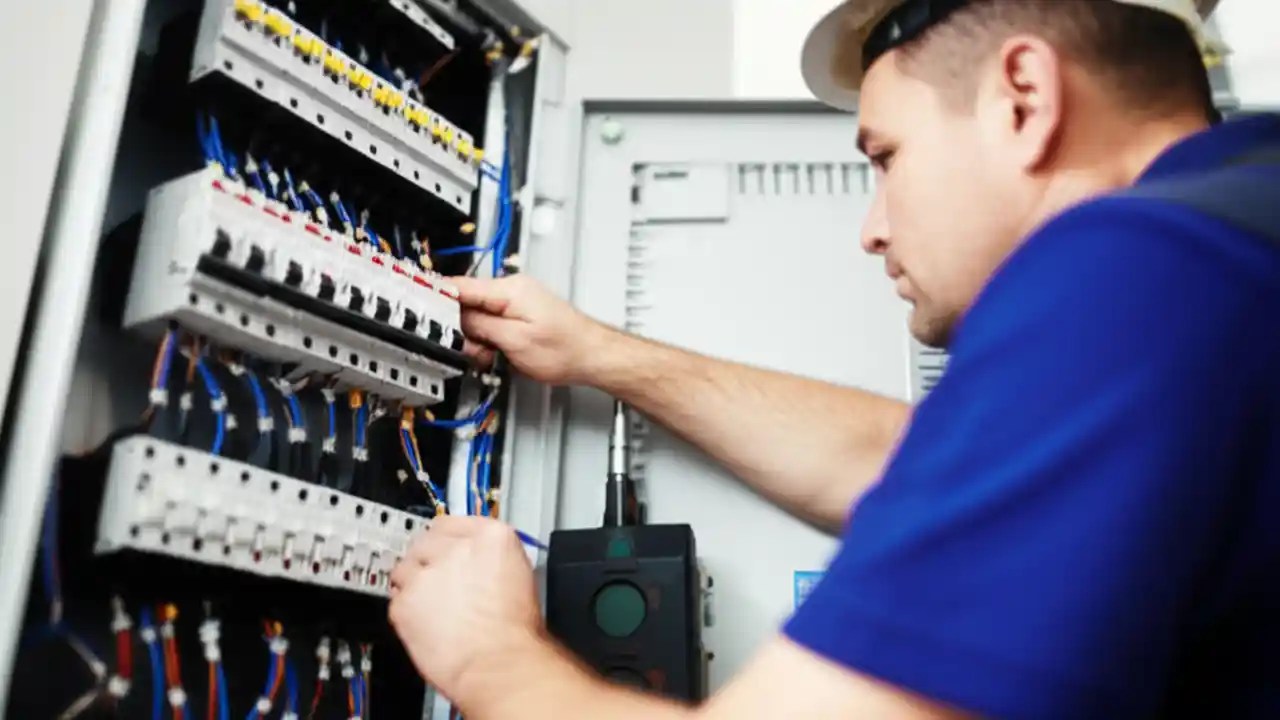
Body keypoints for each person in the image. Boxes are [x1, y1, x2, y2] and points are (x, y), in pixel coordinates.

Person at [388, 0, 1280, 716]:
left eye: (885, 158)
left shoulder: (1131, 270)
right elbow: (900, 460)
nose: (873, 228)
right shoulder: (1230, 237)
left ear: (1023, 97)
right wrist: (596, 353)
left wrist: (489, 652)